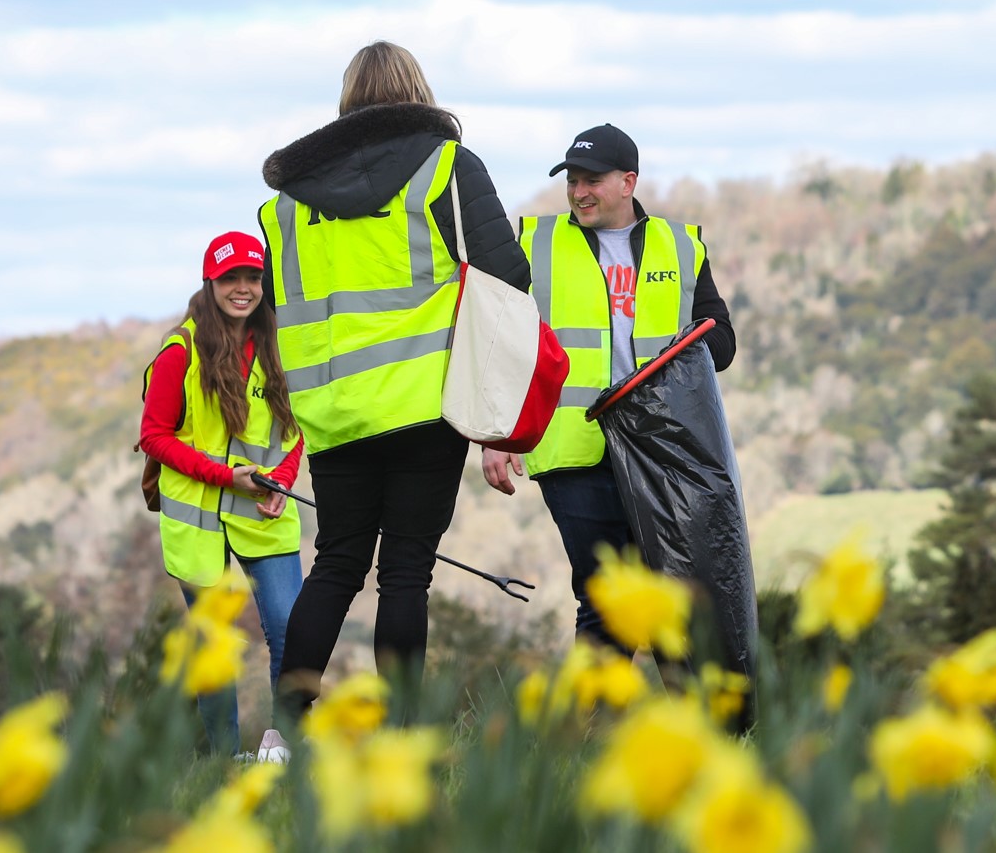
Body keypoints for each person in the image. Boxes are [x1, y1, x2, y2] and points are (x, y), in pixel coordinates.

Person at [257, 40, 531, 717]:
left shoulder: (285, 206)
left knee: (335, 565)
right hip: (422, 405)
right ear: (418, 90)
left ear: (347, 99)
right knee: (406, 573)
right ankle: (404, 739)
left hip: (332, 412)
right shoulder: (445, 169)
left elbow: (273, 306)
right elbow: (508, 277)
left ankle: (282, 735)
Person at [481, 123, 742, 657]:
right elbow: (497, 338)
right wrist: (495, 433)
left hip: (662, 454)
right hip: (574, 451)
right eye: (572, 181)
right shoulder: (534, 243)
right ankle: (597, 713)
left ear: (628, 182)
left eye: (591, 181)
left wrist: (673, 360)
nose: (579, 192)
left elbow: (721, 342)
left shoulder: (681, 246)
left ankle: (673, 713)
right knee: (606, 601)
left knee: (670, 601)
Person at [139, 230, 305, 757]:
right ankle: (225, 760)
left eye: (253, 277)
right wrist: (222, 476)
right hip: (198, 520)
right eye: (230, 278)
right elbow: (154, 436)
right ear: (209, 282)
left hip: (263, 511)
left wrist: (284, 480)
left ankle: (283, 748)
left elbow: (299, 428)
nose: (243, 288)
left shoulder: (282, 345)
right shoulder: (180, 351)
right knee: (213, 645)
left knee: (292, 629)